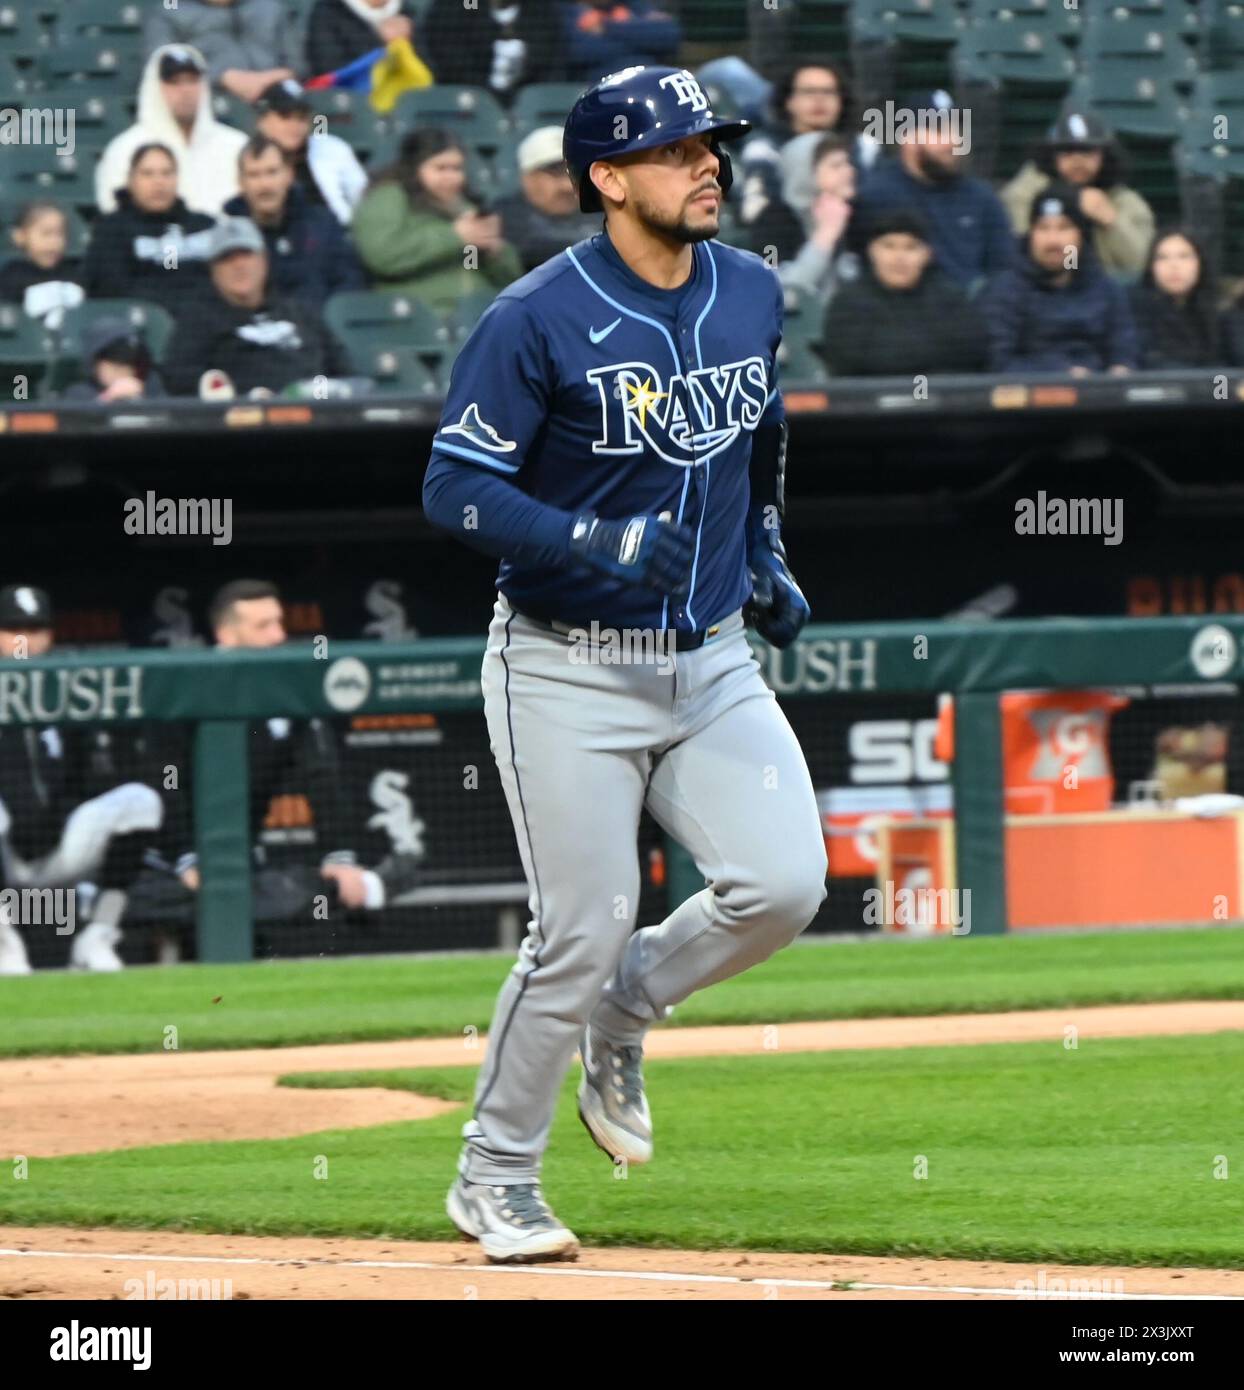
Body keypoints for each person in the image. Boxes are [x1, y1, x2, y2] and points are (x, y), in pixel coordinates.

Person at [423, 65, 827, 1263]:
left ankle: (631, 1002)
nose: (708, 163)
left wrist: (763, 546)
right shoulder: (532, 316)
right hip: (562, 665)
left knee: (785, 884)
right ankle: (493, 1175)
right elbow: (453, 486)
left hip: (708, 660)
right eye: (676, 148)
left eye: (713, 145)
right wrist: (588, 534)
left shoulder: (749, 287)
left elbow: (763, 427)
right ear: (606, 177)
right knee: (580, 925)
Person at [121, 579, 424, 958]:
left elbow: (322, 779)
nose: (279, 636)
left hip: (238, 862)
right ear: (226, 634)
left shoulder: (287, 694)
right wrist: (188, 859)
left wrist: (339, 857)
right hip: (160, 863)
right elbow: (163, 787)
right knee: (150, 900)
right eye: (262, 626)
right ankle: (354, 890)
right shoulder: (186, 689)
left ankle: (337, 887)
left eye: (279, 623)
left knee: (244, 907)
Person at [0, 585, 165, 975]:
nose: (26, 640)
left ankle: (99, 933)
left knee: (140, 799)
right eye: (13, 628)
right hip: (4, 854)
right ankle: (5, 947)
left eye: (36, 629)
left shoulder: (74, 689)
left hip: (63, 850)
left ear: (51, 634)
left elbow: (98, 777)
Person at [161, 217, 349, 396]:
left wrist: (318, 395)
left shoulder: (300, 313)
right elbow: (180, 380)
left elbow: (341, 371)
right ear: (213, 270)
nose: (239, 265)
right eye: (227, 258)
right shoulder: (197, 322)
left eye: (246, 254)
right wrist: (243, 396)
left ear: (264, 260)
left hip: (314, 418)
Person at [853, 89, 1015, 291]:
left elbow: (1004, 272)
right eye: (939, 131)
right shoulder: (877, 196)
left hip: (970, 314)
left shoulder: (981, 197)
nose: (953, 141)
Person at [351, 129, 522, 315]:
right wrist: (455, 236)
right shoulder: (389, 196)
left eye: (457, 169)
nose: (451, 177)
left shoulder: (465, 206)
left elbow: (500, 275)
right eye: (440, 168)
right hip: (418, 316)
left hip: (478, 314)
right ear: (415, 168)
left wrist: (493, 251)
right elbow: (383, 255)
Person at [983, 184, 1139, 375]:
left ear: (1081, 235)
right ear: (1030, 234)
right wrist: (1061, 376)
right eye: (1043, 228)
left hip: (1099, 396)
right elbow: (999, 362)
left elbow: (1124, 348)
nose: (1053, 240)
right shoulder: (1005, 291)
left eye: (1064, 227)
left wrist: (1121, 369)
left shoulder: (1105, 288)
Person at [821, 210, 988, 376]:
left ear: (927, 254)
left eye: (911, 247)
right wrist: (924, 350)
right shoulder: (848, 301)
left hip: (931, 389)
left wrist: (897, 350)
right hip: (868, 394)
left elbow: (973, 351)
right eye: (889, 246)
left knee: (923, 396)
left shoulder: (950, 299)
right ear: (872, 251)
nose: (899, 257)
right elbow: (846, 359)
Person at [96, 46, 249, 218]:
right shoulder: (125, 149)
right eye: (174, 82)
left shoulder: (237, 145)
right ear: (154, 87)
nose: (185, 90)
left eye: (192, 80)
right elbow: (113, 212)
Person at [1000, 111, 1155, 281]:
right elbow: (1017, 254)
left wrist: (1112, 221)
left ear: (1105, 157)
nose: (1078, 161)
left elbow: (1143, 264)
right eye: (1068, 152)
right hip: (1040, 289)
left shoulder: (1126, 202)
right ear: (1052, 156)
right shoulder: (1025, 194)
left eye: (1087, 152)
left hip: (1105, 292)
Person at [223, 136, 365, 306]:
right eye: (254, 175)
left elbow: (350, 281)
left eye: (272, 172)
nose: (264, 185)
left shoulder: (323, 225)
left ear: (289, 175)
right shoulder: (228, 238)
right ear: (240, 182)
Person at [82, 144, 216, 314]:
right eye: (148, 173)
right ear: (131, 180)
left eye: (166, 173)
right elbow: (114, 290)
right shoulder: (111, 231)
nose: (158, 182)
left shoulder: (205, 227)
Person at [741, 60, 880, 223]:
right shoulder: (763, 150)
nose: (819, 99)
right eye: (808, 92)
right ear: (788, 101)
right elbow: (754, 213)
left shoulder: (865, 146)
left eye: (828, 92)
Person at [253, 79, 369, 227]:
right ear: (262, 121)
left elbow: (366, 202)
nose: (294, 126)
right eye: (285, 117)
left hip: (339, 235)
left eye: (301, 117)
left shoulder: (331, 147)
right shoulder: (244, 158)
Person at [144, 0, 299, 104]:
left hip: (277, 103)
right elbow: (159, 67)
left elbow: (298, 65)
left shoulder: (269, 5)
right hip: (207, 106)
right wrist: (222, 77)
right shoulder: (170, 8)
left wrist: (262, 80)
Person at [493, 127, 603, 273]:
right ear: (527, 178)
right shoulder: (506, 214)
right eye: (555, 173)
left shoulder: (598, 207)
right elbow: (535, 247)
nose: (567, 187)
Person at [776, 133, 859, 312]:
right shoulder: (774, 220)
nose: (849, 171)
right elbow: (782, 297)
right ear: (804, 173)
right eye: (836, 166)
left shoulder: (858, 214)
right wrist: (825, 236)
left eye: (847, 163)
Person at [419, 0, 560, 95]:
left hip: (527, 100)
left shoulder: (541, 9)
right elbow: (448, 61)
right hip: (467, 100)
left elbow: (551, 62)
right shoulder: (464, 5)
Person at [1130, 229, 1223, 369]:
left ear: (1200, 263)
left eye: (1184, 256)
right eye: (1162, 257)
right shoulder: (1133, 310)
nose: (1173, 265)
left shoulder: (1221, 313)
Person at [0, 201, 84, 324]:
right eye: (46, 234)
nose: (54, 242)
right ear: (20, 236)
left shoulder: (75, 272)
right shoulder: (11, 276)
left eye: (60, 234)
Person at [562, 2, 681, 85]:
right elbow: (581, 51)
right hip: (602, 89)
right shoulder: (572, 12)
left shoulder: (632, 5)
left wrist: (606, 26)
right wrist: (639, 35)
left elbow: (668, 35)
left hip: (650, 83)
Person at [61, 318, 168, 402]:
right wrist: (108, 398)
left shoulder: (151, 387)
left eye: (128, 363)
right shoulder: (79, 394)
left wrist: (140, 401)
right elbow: (78, 422)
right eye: (113, 363)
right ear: (94, 366)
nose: (121, 371)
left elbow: (167, 419)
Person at [305, 0, 419, 77]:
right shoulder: (328, 11)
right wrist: (381, 41)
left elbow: (430, 67)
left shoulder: (408, 12)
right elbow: (329, 71)